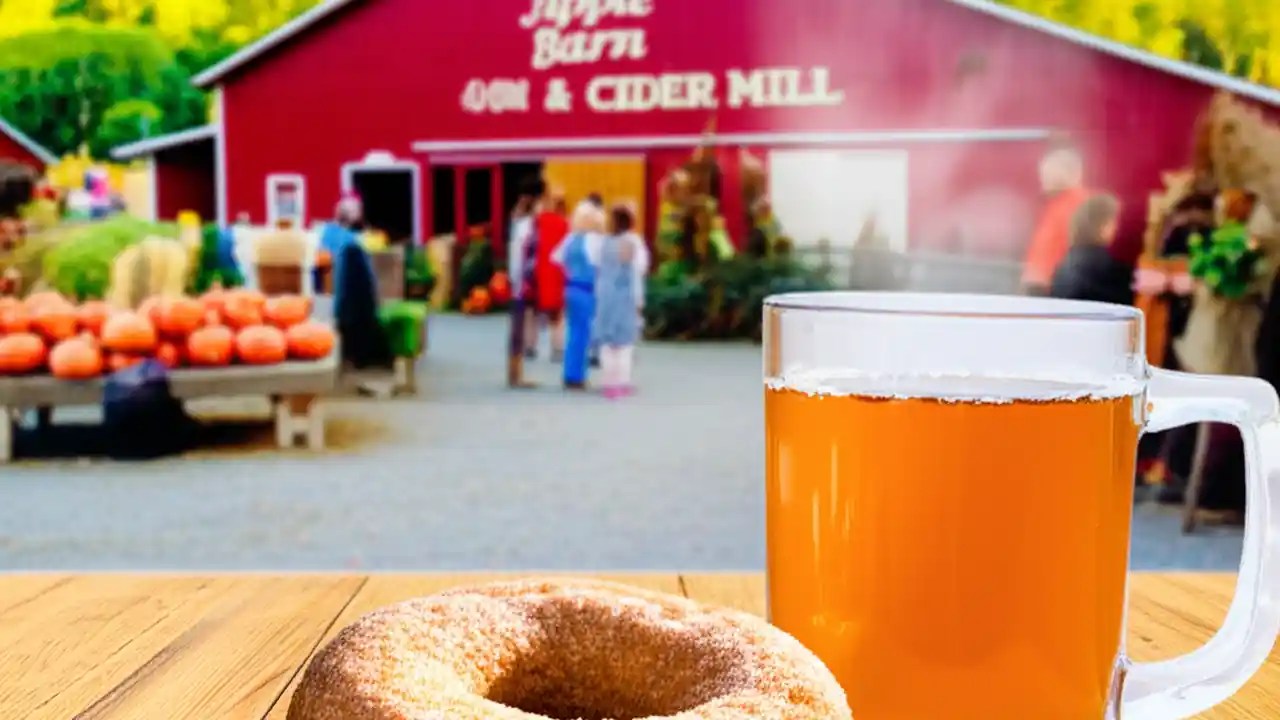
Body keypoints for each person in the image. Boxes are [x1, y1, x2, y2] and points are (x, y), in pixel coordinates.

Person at [1023, 146, 1091, 295]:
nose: (1042, 178)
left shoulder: (1080, 205)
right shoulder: (1056, 203)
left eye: (1048, 173)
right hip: (1044, 288)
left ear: (1068, 173)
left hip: (1055, 291)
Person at [595, 203, 645, 399]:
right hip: (624, 294)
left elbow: (597, 267)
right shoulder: (632, 243)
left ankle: (608, 382)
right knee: (624, 343)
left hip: (605, 294)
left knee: (607, 342)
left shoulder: (603, 242)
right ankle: (622, 381)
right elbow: (636, 272)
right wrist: (639, 301)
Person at [553, 201, 606, 390]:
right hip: (586, 290)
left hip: (570, 288)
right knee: (583, 334)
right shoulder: (594, 240)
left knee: (573, 332)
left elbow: (556, 258)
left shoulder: (570, 239)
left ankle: (570, 373)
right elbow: (600, 264)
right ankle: (577, 376)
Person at [1050, 193, 1134, 306]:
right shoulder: (1106, 268)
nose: (1116, 227)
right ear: (1100, 226)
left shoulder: (1064, 263)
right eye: (1112, 222)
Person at [531, 190, 569, 361]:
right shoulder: (564, 224)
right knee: (558, 313)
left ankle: (532, 345)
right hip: (559, 271)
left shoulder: (542, 220)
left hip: (543, 269)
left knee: (537, 310)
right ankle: (557, 348)